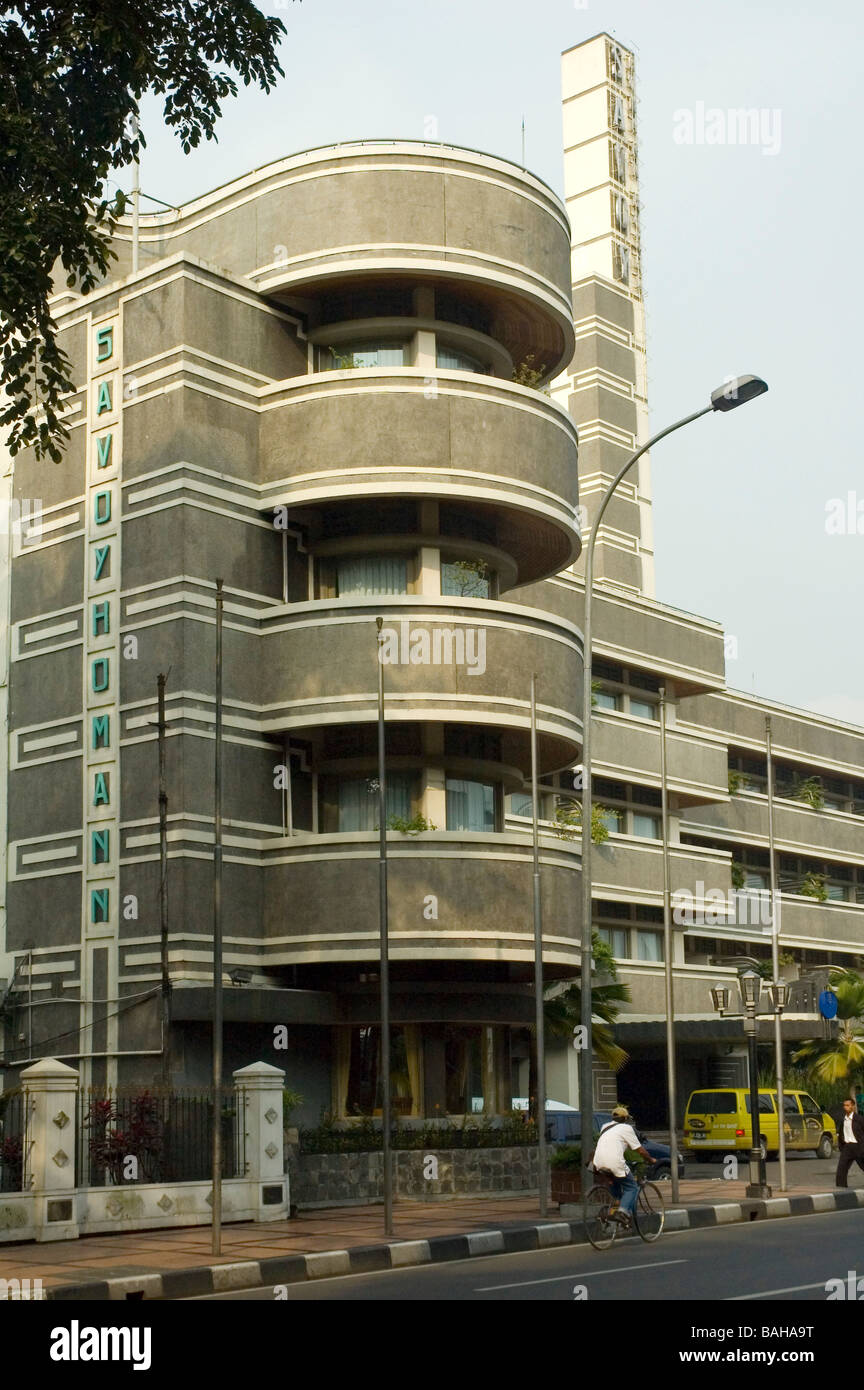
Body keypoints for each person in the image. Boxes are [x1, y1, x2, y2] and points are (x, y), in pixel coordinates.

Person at [588, 1104, 655, 1229]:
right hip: (614, 1162)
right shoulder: (626, 1128)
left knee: (616, 1183)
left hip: (598, 1163)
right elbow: (639, 1150)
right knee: (632, 1188)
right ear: (626, 1119)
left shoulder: (604, 1127)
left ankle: (613, 1210)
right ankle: (622, 1212)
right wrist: (650, 1159)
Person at [835, 1098, 864, 1188]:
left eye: (847, 1105)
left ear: (853, 1106)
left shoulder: (859, 1119)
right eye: (844, 1105)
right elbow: (841, 1133)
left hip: (858, 1147)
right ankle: (841, 1187)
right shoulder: (843, 1120)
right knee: (841, 1168)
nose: (845, 1107)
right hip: (847, 1147)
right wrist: (841, 1146)